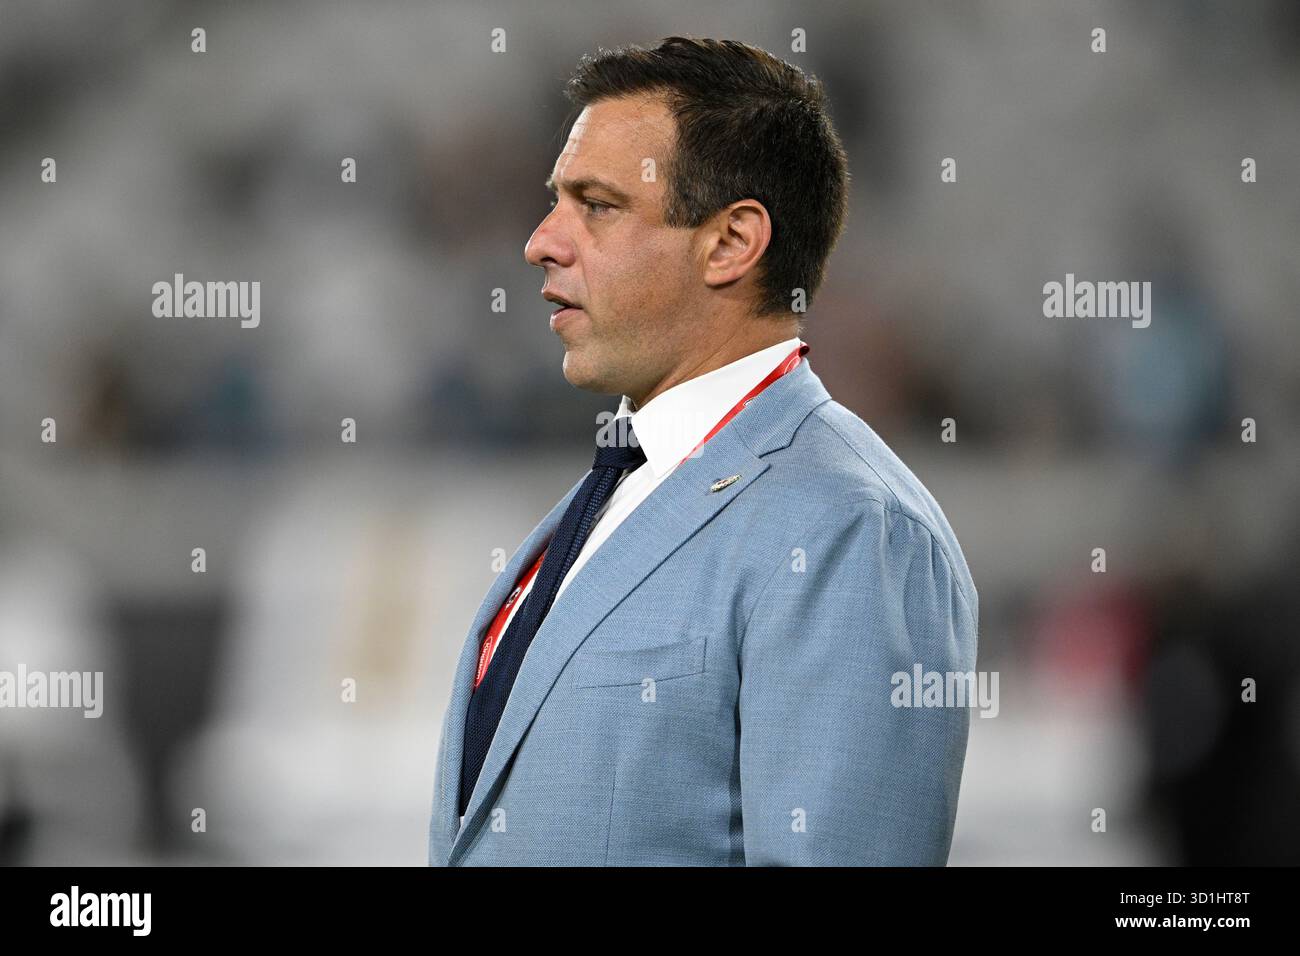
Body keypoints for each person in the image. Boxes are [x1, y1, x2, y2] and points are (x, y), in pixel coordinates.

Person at [429, 36, 978, 866]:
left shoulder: (853, 528)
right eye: (555, 200)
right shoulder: (621, 484)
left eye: (598, 205)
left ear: (730, 243)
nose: (541, 241)